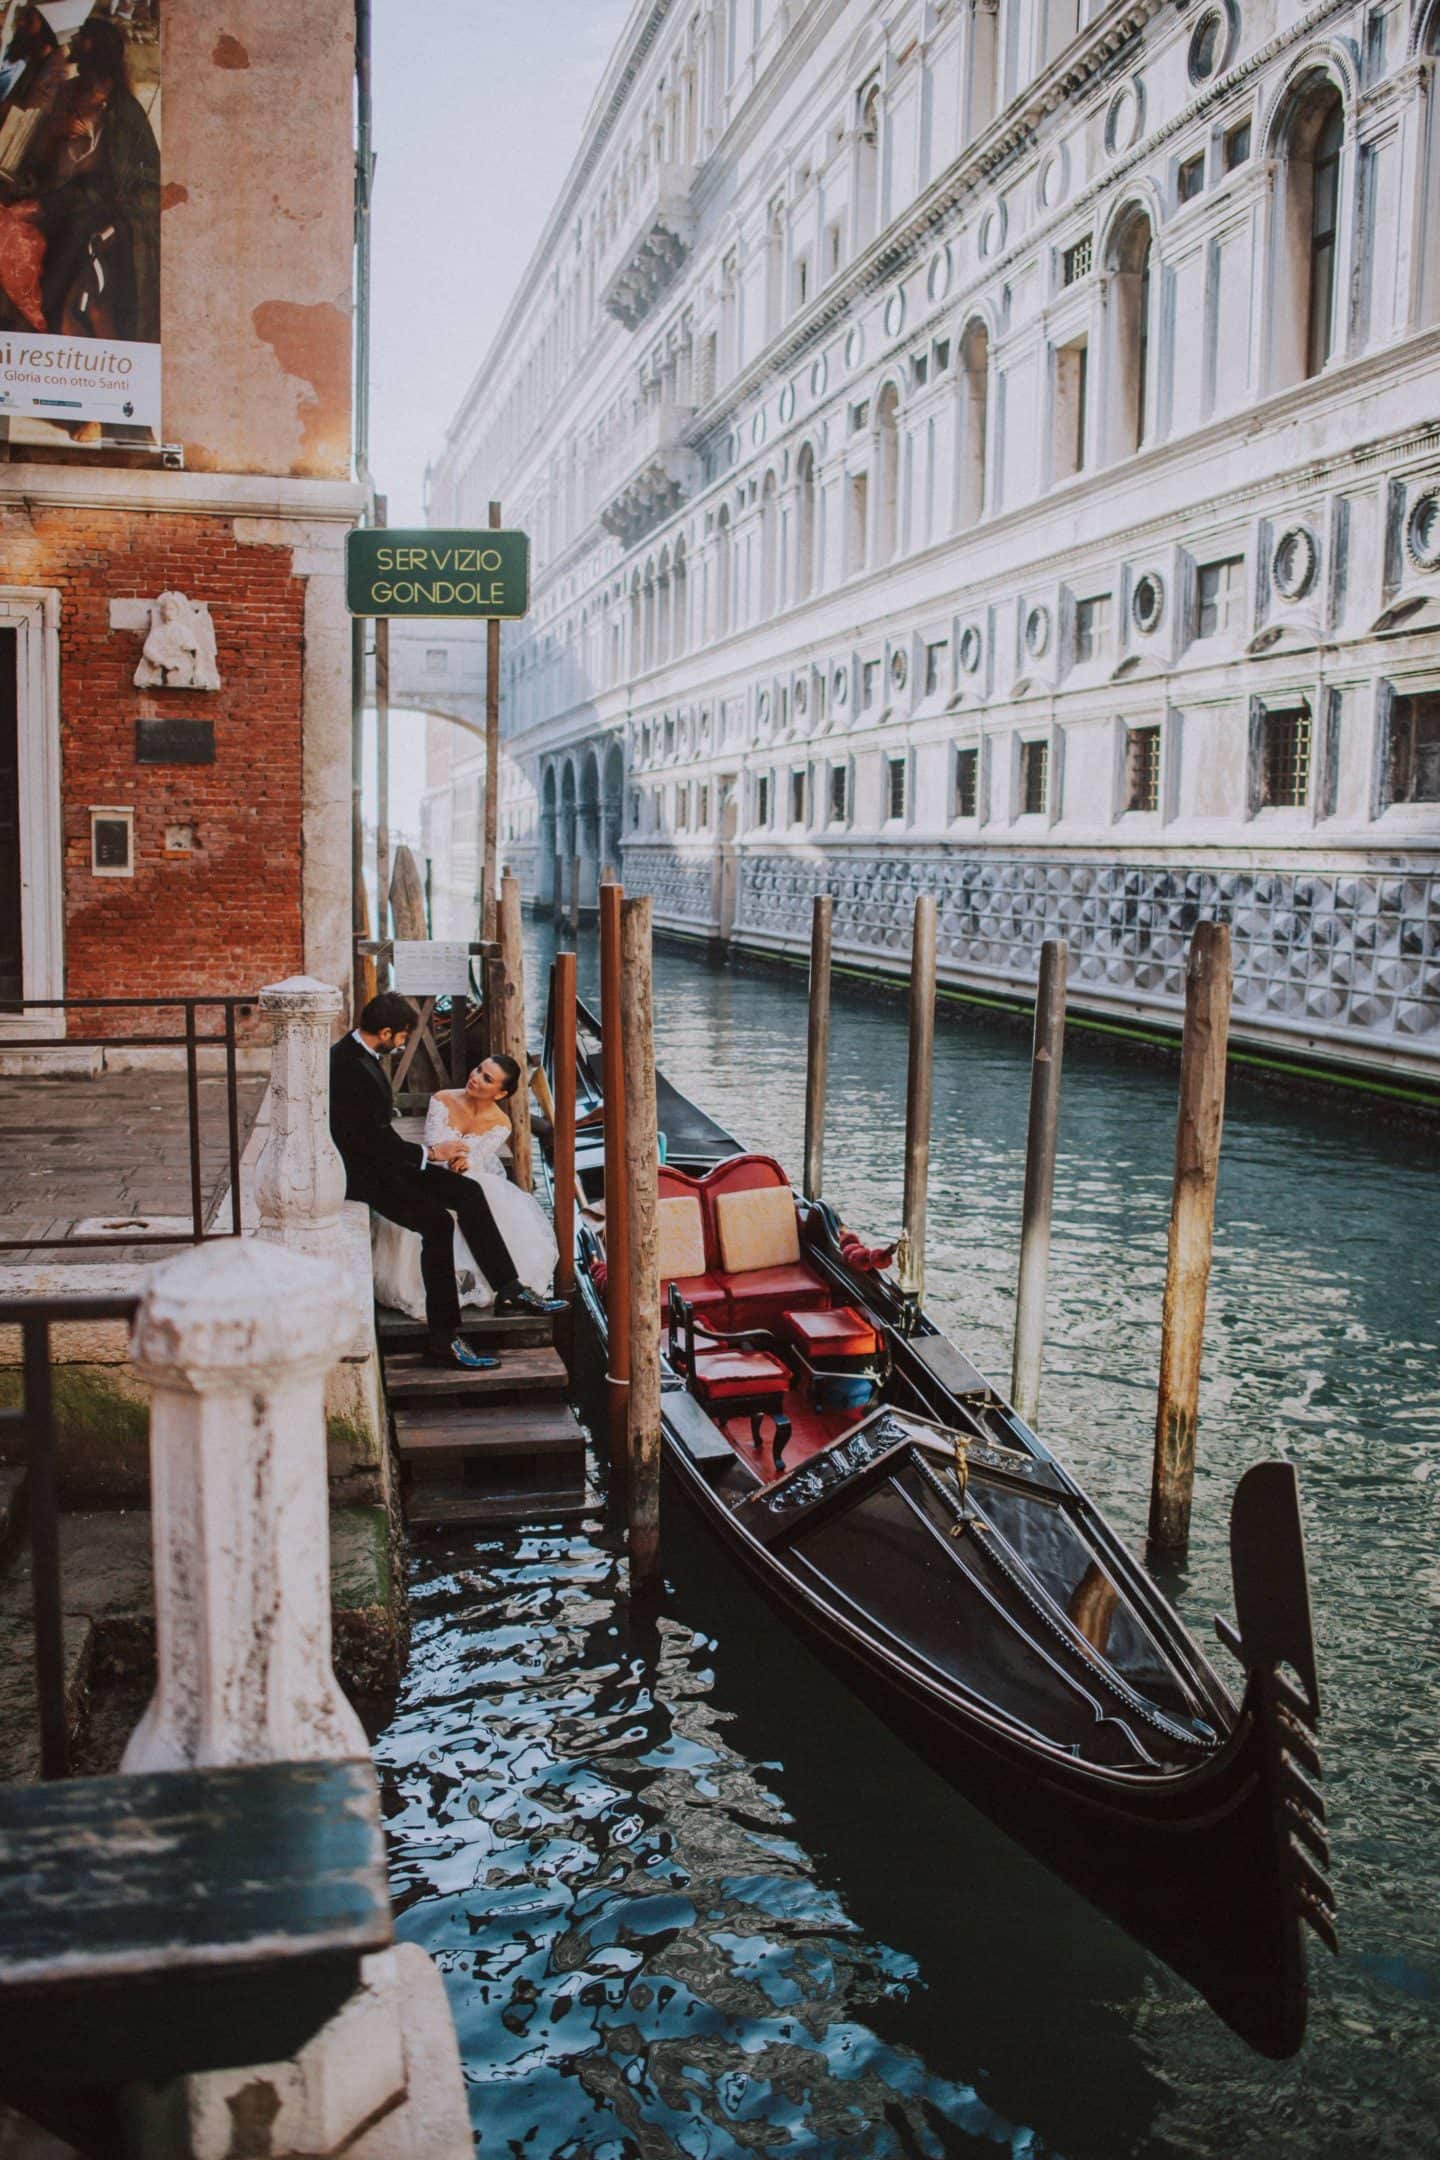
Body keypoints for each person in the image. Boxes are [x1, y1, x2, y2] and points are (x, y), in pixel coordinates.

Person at [330, 992, 564, 1370]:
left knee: (468, 1191)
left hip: (385, 1162)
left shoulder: (356, 1057)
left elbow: (375, 1135)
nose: (404, 1041)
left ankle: (508, 1289)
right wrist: (430, 1155)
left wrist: (422, 1157)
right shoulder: (347, 1067)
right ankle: (444, 1338)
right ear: (386, 1033)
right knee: (436, 1224)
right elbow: (366, 1140)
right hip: (364, 1175)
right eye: (403, 1035)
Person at [371, 1053, 559, 1327]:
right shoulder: (443, 1099)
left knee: (480, 1192)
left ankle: (505, 1287)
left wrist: (466, 1162)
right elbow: (434, 1143)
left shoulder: (502, 1124)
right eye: (478, 1069)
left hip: (468, 1175)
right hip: (432, 1171)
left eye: (487, 1078)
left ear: (500, 1093)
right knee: (459, 1199)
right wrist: (448, 1158)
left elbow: (479, 1155)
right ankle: (475, 1291)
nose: (475, 1077)